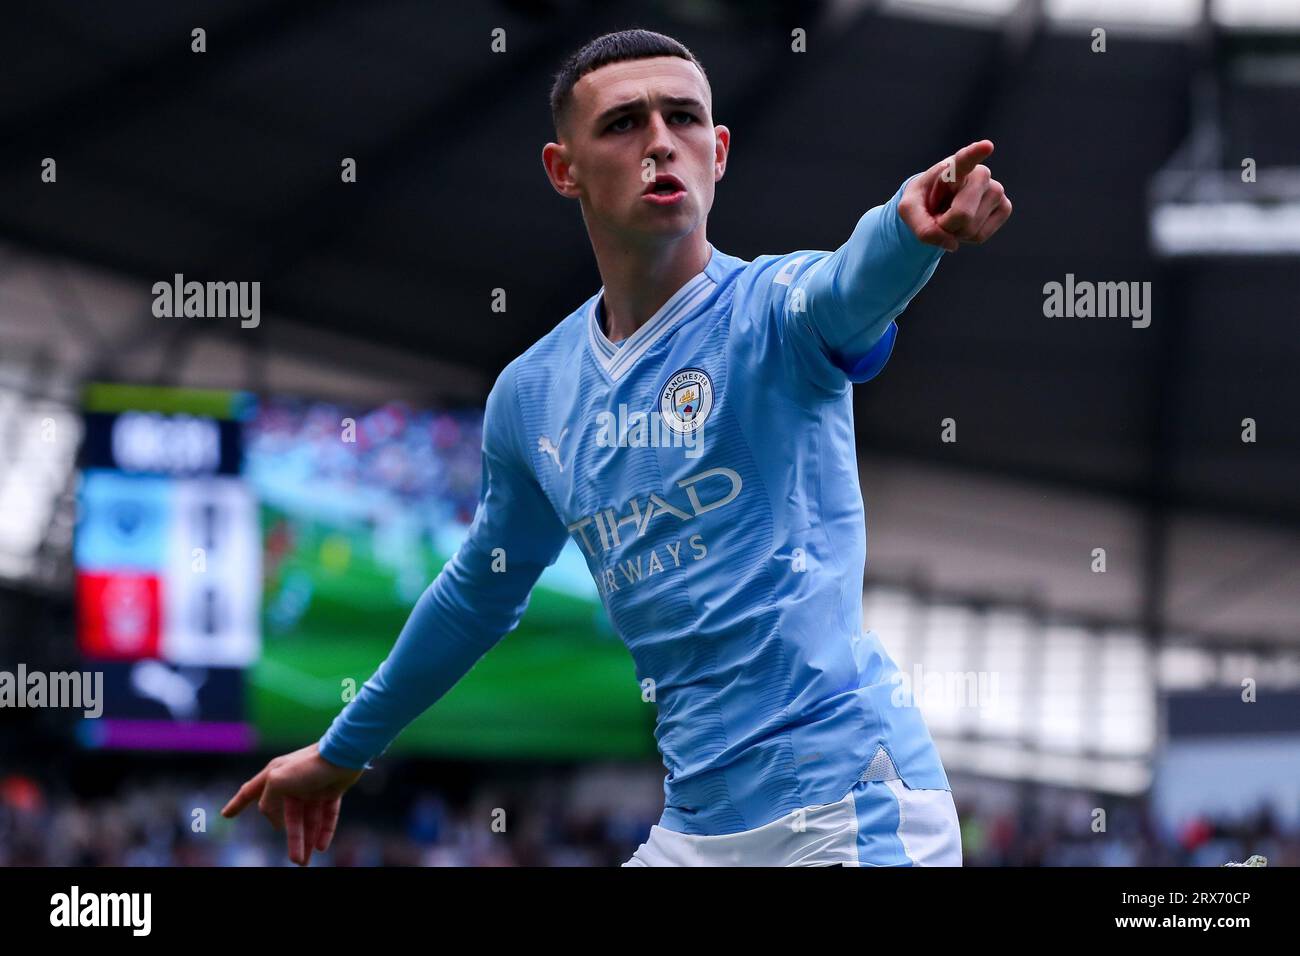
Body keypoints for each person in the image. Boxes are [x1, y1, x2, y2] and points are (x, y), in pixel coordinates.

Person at [223, 28, 1012, 867]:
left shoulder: (772, 310)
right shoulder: (532, 395)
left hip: (850, 811)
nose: (661, 142)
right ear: (564, 170)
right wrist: (343, 751)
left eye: (683, 118)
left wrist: (906, 229)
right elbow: (477, 596)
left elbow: (850, 287)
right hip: (699, 831)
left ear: (718, 152)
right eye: (625, 124)